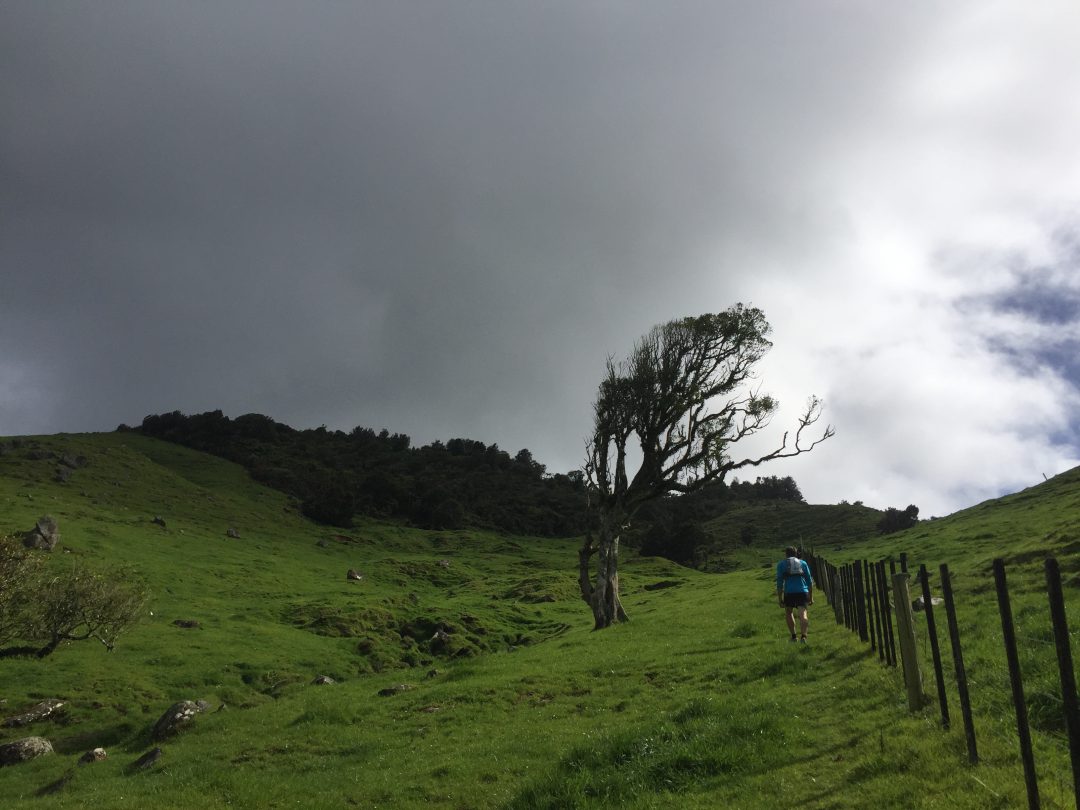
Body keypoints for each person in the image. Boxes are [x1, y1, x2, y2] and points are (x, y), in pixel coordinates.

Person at [776, 545, 814, 643]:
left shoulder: (781, 565)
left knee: (789, 612)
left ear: (786, 554)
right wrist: (811, 597)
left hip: (789, 593)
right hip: (802, 591)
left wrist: (780, 599)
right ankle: (804, 636)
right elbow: (809, 581)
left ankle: (793, 637)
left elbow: (779, 583)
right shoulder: (803, 563)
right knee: (803, 613)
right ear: (796, 553)